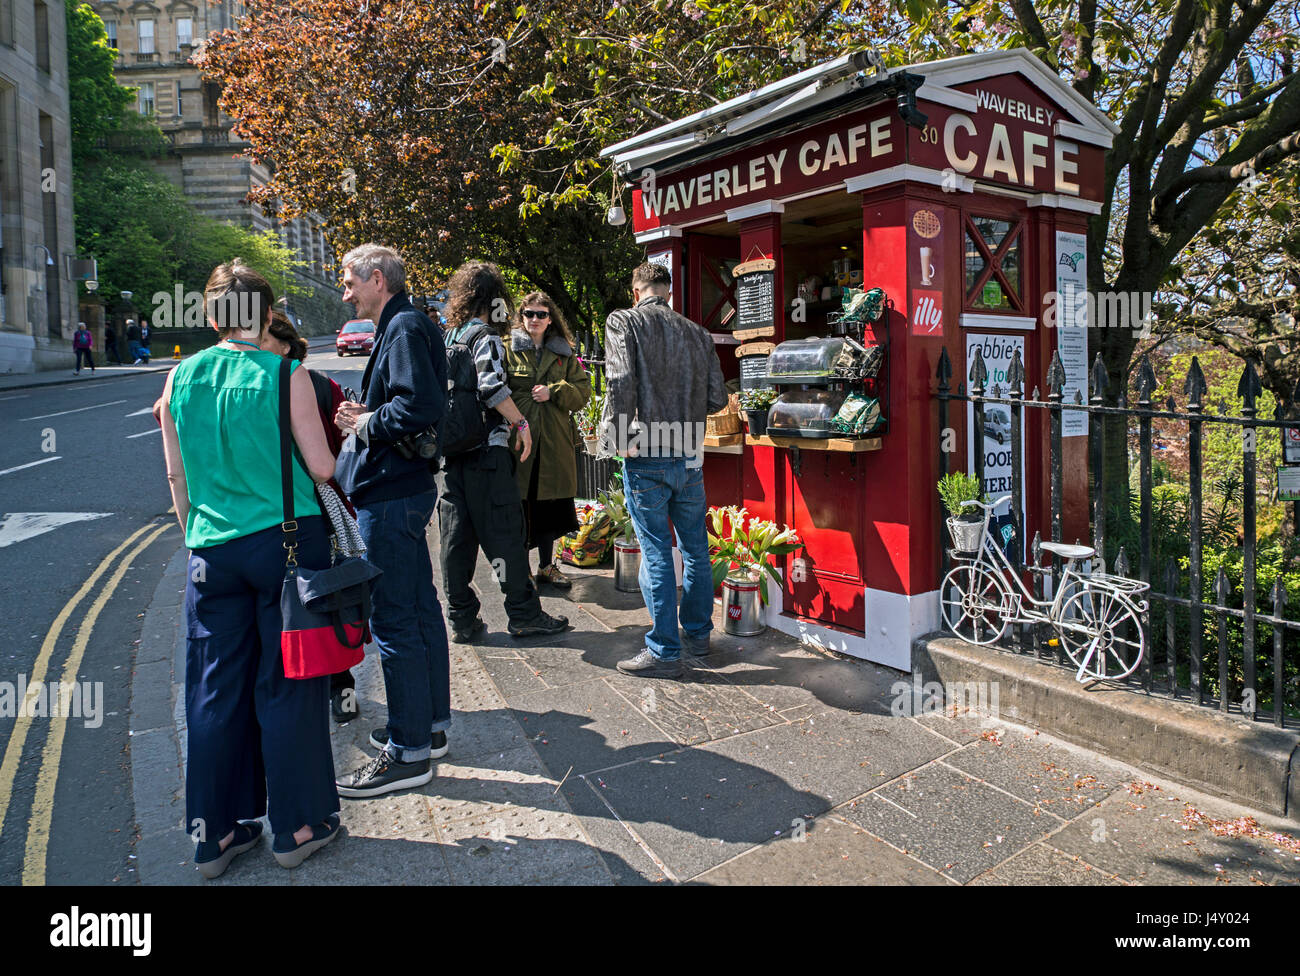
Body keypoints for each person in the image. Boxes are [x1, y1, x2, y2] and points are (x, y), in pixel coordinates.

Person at [159, 260, 341, 878]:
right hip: (287, 546)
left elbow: (176, 477)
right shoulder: (286, 373)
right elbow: (322, 470)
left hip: (211, 551)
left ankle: (216, 837)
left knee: (213, 689)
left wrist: (197, 537)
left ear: (210, 317)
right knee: (288, 681)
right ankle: (295, 828)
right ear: (266, 317)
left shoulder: (178, 378)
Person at [332, 244, 452, 799]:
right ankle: (429, 727)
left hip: (390, 494)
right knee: (421, 610)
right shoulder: (409, 322)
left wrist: (366, 421)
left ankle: (407, 754)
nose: (345, 292)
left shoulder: (402, 327)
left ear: (376, 279)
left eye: (349, 282)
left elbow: (420, 405)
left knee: (395, 621)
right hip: (404, 492)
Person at [600, 261, 727, 680]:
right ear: (667, 292)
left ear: (636, 291)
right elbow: (717, 399)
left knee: (656, 551)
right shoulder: (697, 332)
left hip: (645, 452)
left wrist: (618, 437)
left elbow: (619, 382)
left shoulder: (624, 322)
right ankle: (699, 635)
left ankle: (664, 650)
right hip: (688, 451)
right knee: (694, 549)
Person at [437, 262, 570, 644]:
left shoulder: (448, 336)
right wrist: (521, 424)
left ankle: (462, 618)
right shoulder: (486, 337)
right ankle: (524, 614)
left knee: (455, 539)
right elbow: (492, 387)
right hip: (486, 454)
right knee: (506, 536)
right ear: (495, 298)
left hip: (453, 457)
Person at [260, 312, 362, 726]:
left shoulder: (318, 385)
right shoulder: (253, 382)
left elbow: (342, 448)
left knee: (324, 600)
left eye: (263, 342)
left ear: (285, 346)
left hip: (316, 511)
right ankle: (299, 688)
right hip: (271, 513)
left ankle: (342, 687)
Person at [506, 292, 590, 588]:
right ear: (522, 316)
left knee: (549, 506)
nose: (535, 320)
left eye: (541, 314)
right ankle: (521, 569)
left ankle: (546, 566)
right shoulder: (507, 349)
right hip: (519, 440)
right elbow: (497, 391)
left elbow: (582, 393)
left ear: (550, 318)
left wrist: (553, 390)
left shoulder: (564, 352)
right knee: (519, 505)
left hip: (554, 440)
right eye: (529, 313)